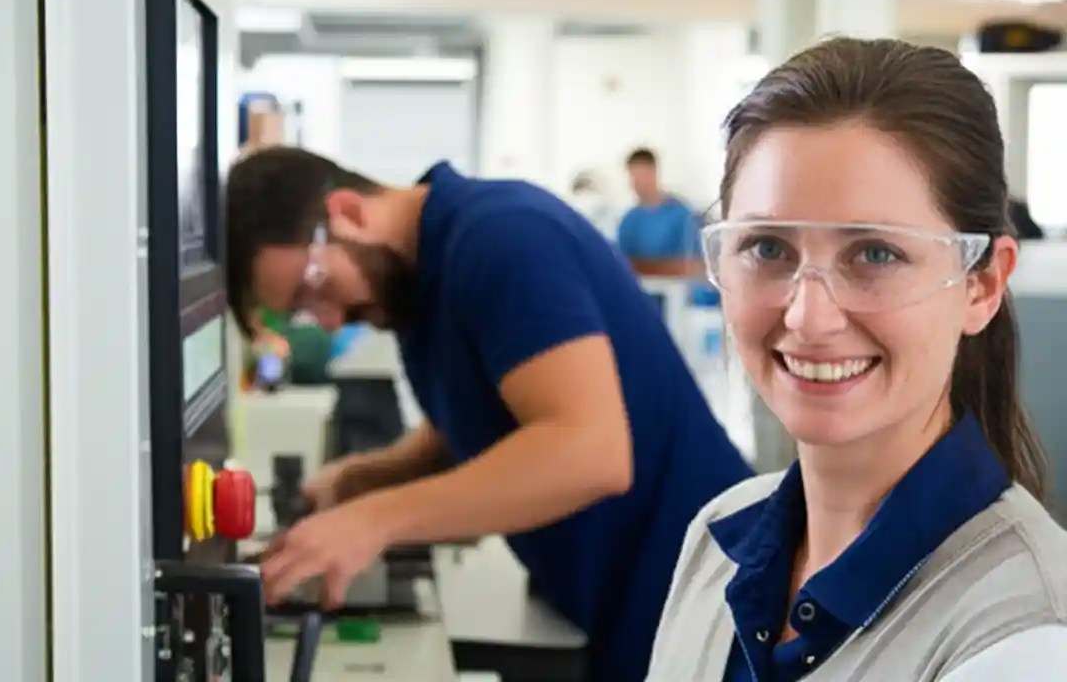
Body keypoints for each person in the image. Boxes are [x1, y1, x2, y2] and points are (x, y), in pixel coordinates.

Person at [225, 146, 752, 678]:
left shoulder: (502, 238)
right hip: (632, 609)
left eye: (314, 287)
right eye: (303, 314)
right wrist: (369, 478)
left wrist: (373, 521)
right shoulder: (419, 283)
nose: (332, 320)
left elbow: (592, 453)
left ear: (348, 213)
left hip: (717, 612)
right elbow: (492, 416)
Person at [647, 38, 1067, 682]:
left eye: (874, 254)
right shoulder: (719, 537)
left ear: (981, 285)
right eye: (766, 248)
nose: (808, 318)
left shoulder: (1027, 632)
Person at [616, 148, 701, 277]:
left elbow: (692, 266)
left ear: (654, 173)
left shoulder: (683, 216)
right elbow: (621, 267)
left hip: (679, 292)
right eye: (634, 176)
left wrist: (642, 266)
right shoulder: (628, 221)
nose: (639, 182)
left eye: (643, 175)